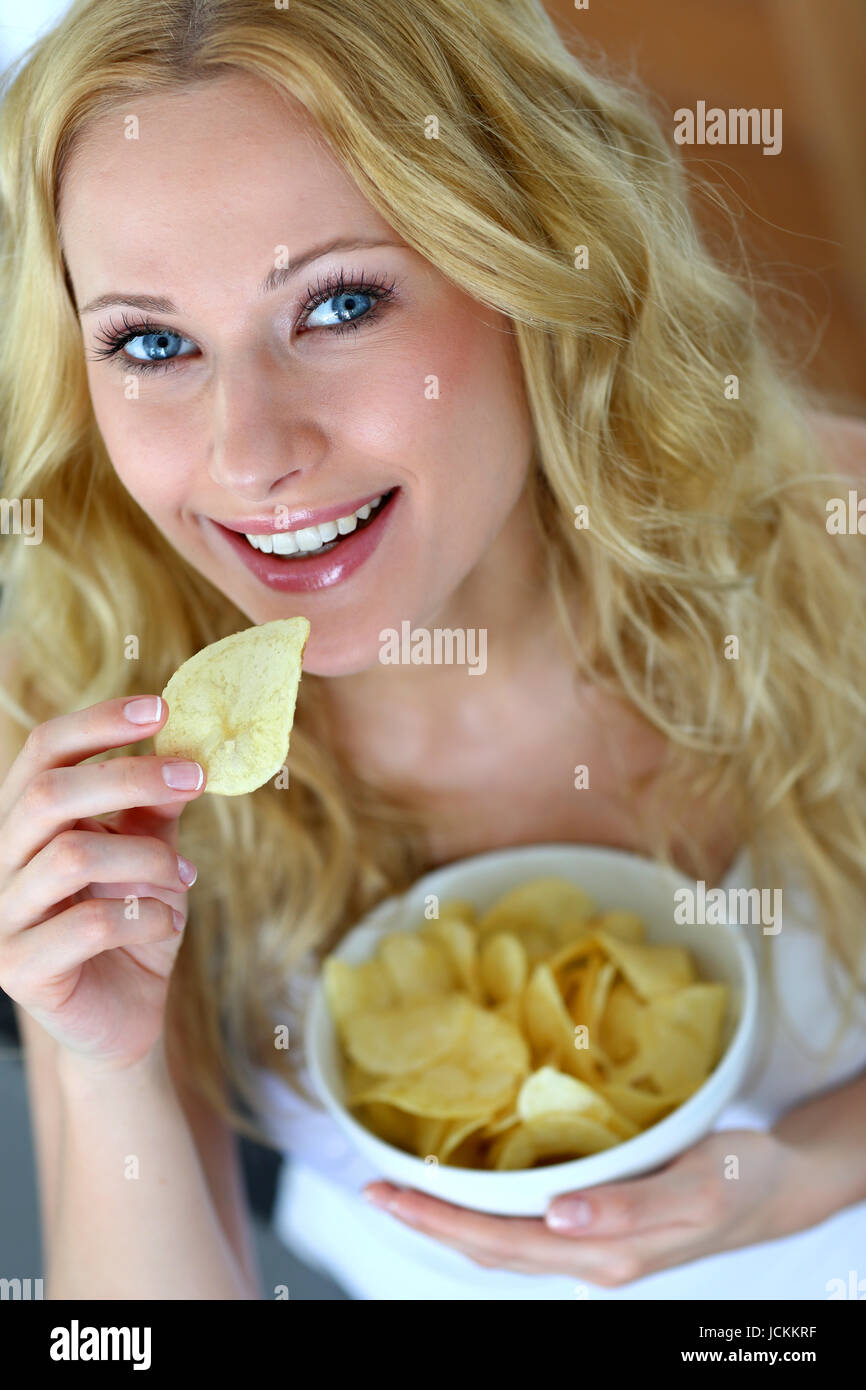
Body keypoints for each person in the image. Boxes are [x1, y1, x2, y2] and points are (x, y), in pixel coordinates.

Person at [0, 0, 864, 1301]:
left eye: (339, 303)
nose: (250, 453)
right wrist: (94, 1061)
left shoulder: (836, 551)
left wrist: (804, 1168)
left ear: (532, 264)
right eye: (153, 342)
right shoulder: (76, 731)